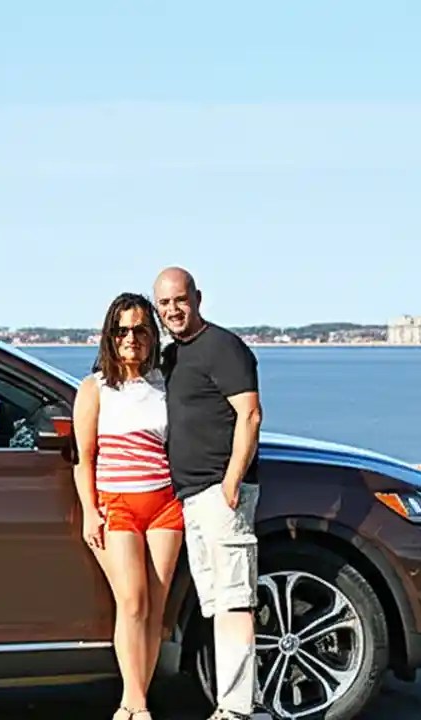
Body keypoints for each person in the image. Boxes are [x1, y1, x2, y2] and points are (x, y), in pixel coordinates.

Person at [152, 266, 264, 720]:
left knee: (235, 600)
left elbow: (250, 415)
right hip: (191, 496)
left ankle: (237, 709)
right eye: (164, 304)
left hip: (220, 494)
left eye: (180, 300)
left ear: (197, 298)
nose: (173, 310)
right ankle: (229, 704)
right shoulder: (173, 356)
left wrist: (232, 482)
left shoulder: (223, 347)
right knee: (216, 601)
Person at [72, 292, 185, 720]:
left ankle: (139, 703)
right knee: (133, 602)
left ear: (151, 334)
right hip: (117, 505)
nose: (131, 338)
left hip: (165, 506)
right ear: (109, 336)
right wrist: (89, 511)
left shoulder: (164, 383)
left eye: (139, 329)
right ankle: (131, 702)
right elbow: (84, 456)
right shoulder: (95, 387)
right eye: (122, 330)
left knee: (156, 609)